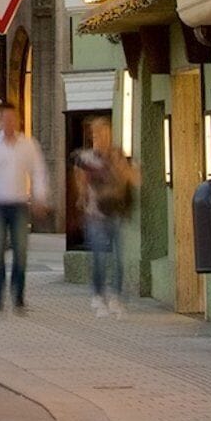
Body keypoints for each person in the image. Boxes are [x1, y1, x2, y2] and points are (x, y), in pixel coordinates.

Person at [0, 104, 53, 312]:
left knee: (20, 252)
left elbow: (38, 171)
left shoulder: (27, 145)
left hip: (18, 204)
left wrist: (40, 198)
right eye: (5, 119)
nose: (9, 123)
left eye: (12, 119)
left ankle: (18, 296)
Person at [73, 117, 135, 315]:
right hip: (95, 214)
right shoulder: (87, 158)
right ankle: (98, 296)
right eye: (96, 134)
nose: (100, 137)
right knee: (99, 257)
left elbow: (132, 179)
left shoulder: (118, 155)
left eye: (104, 133)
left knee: (118, 258)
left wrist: (124, 169)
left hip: (116, 212)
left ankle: (116, 297)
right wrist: (82, 195)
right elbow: (79, 180)